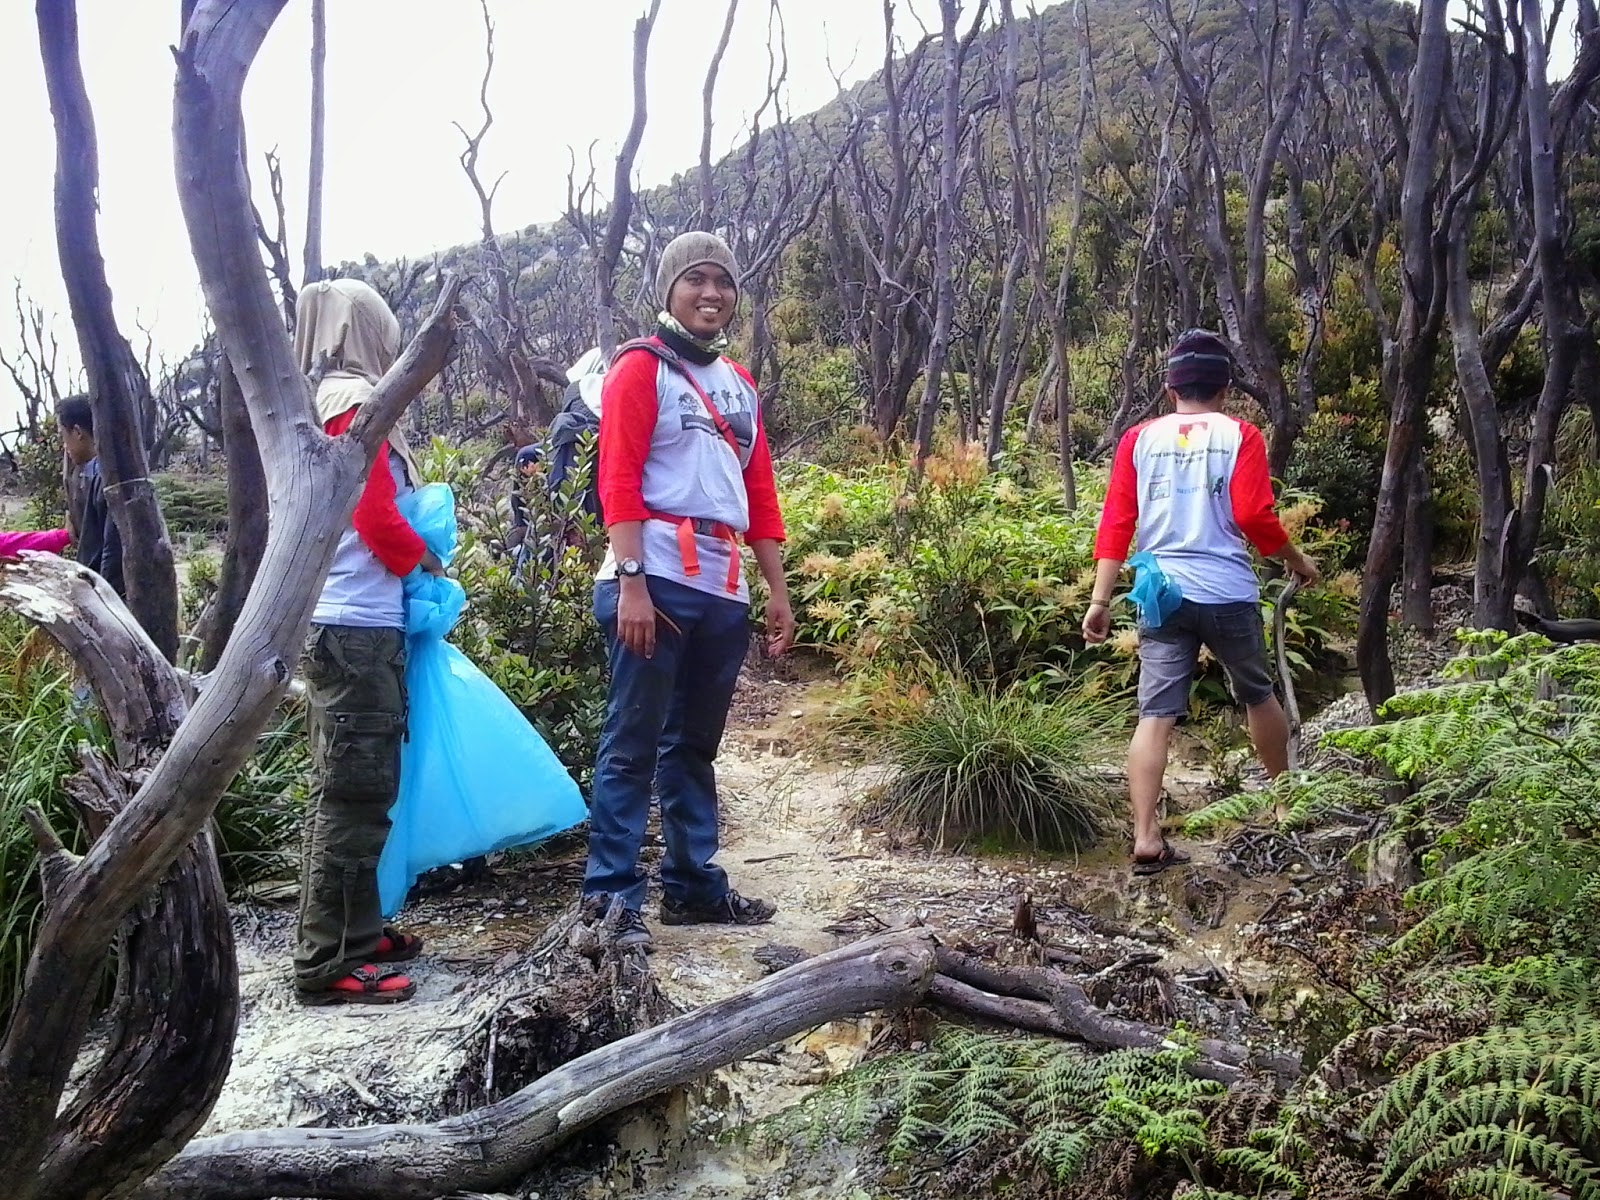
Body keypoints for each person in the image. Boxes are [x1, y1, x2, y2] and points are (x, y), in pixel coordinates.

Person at [583, 231, 795, 950]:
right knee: (631, 742)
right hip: (655, 578)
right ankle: (609, 899)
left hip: (720, 582)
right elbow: (616, 478)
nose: (711, 293)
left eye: (723, 281)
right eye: (695, 280)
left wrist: (777, 590)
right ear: (669, 289)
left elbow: (757, 491)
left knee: (694, 745)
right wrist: (633, 583)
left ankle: (692, 884)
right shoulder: (640, 369)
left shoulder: (739, 383)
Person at [1082, 330, 1320, 876]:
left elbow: (1118, 521)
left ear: (1171, 388)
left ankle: (1146, 838)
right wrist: (1297, 560)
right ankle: (1286, 806)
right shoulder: (1242, 435)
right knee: (1257, 695)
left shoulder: (1138, 440)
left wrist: (1099, 600)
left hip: (1160, 592)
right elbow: (1254, 516)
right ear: (1225, 386)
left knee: (1155, 714)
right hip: (1227, 591)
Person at [291, 278, 444, 1005]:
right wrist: (429, 559)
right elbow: (378, 522)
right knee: (352, 795)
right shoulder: (353, 401)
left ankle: (358, 926)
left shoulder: (323, 398)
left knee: (358, 785)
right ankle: (327, 961)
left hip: (349, 624)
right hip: (355, 627)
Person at [57, 395, 124, 597]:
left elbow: (111, 550)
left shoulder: (102, 474)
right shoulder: (92, 471)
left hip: (107, 592)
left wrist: (104, 598)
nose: (64, 446)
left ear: (77, 432)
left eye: (63, 435)